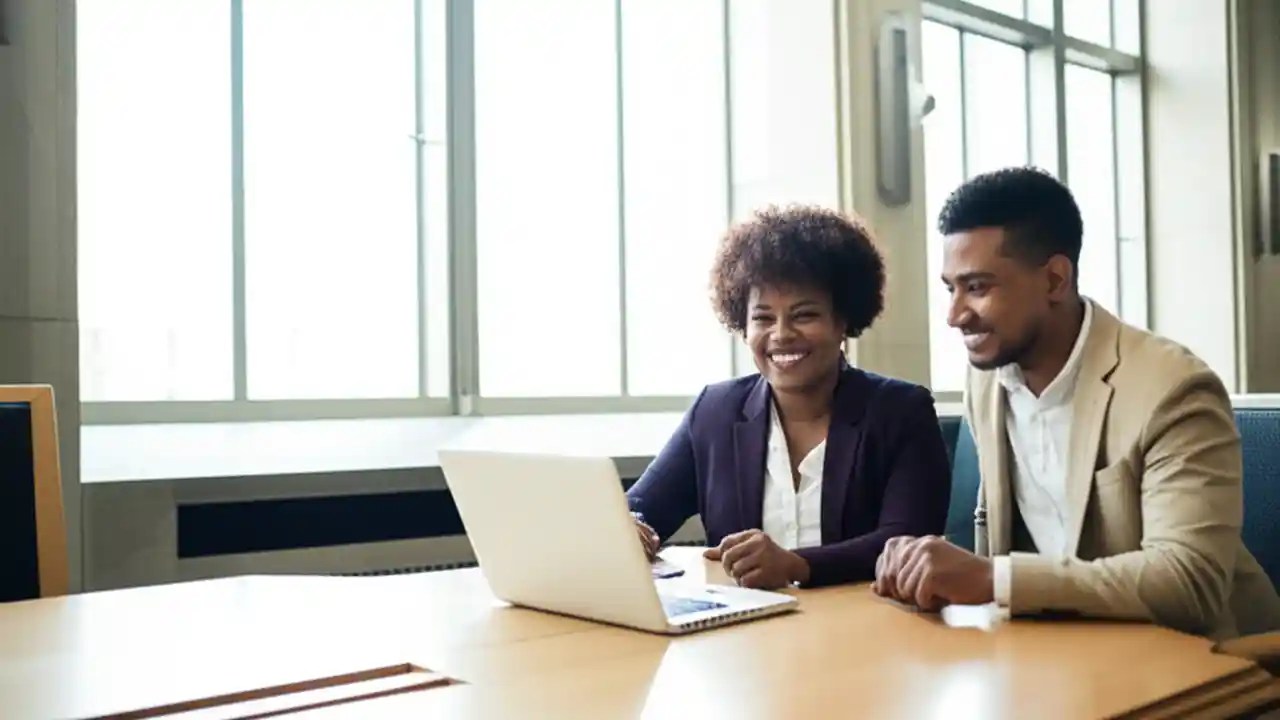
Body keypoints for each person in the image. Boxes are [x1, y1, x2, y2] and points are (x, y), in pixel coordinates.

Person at [874, 167, 1280, 638]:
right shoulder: (988, 377)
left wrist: (994, 579)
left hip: (1209, 664)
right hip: (1067, 651)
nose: (955, 315)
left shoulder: (1173, 389)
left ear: (1054, 280)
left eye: (978, 287)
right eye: (951, 288)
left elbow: (1190, 582)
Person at [626, 205, 951, 589]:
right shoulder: (715, 412)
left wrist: (798, 564)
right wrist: (632, 530)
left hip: (869, 628)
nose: (780, 334)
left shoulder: (900, 411)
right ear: (742, 326)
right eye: (763, 318)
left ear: (841, 322)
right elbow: (642, 510)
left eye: (804, 315)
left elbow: (904, 542)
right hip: (745, 634)